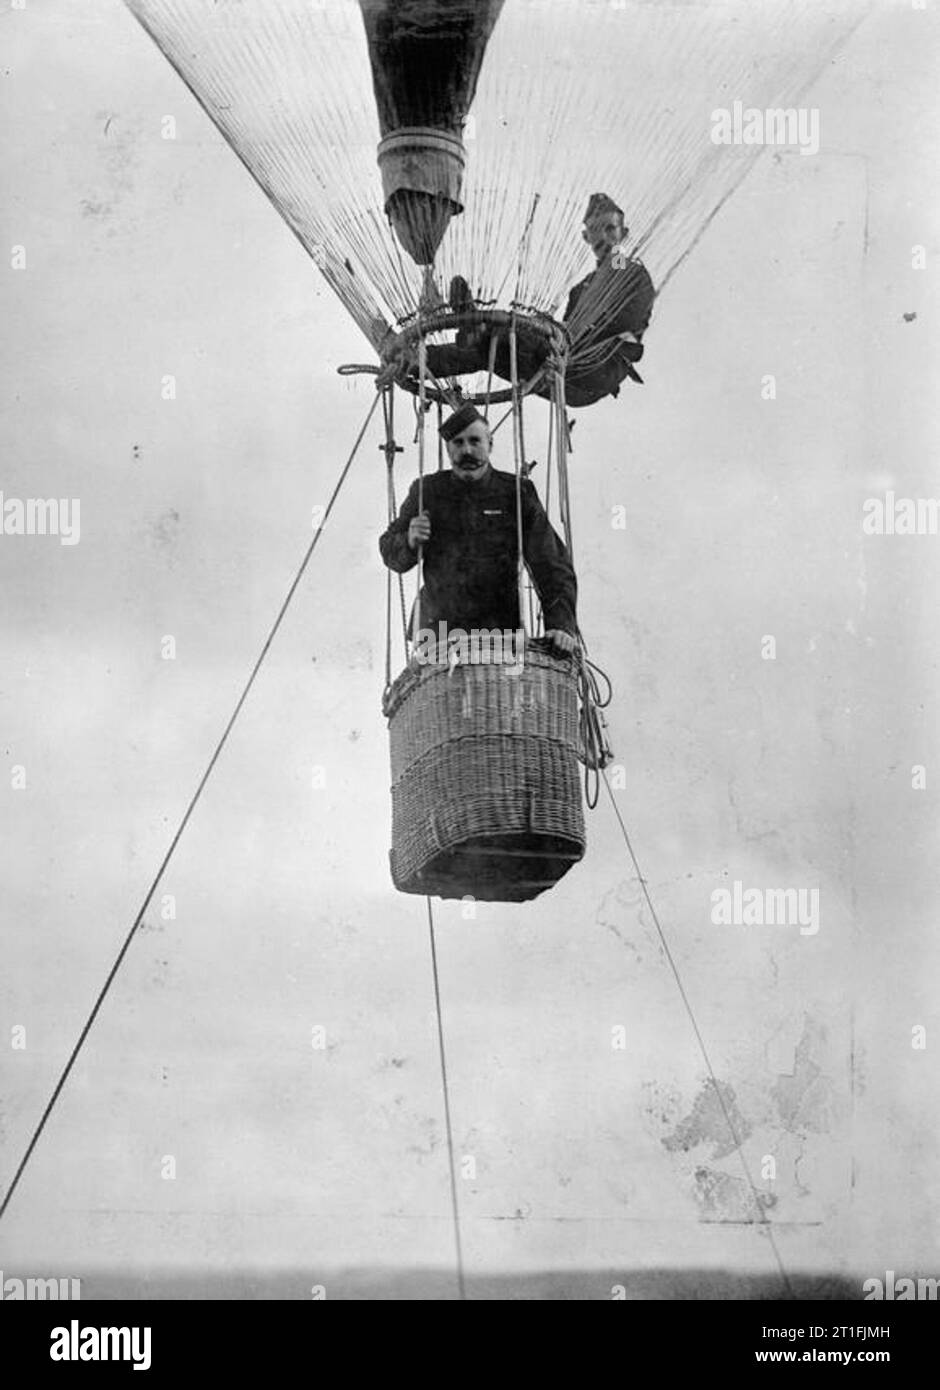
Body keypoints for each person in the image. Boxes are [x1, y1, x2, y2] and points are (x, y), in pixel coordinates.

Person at [384, 193, 655, 407]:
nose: (604, 237)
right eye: (596, 230)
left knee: (515, 337)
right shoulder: (580, 289)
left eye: (611, 229)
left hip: (597, 370)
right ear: (585, 236)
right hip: (565, 372)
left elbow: (618, 289)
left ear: (623, 233)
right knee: (489, 352)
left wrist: (551, 333)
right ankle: (420, 361)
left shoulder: (630, 272)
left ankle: (483, 329)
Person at [379, 402, 578, 657]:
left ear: (490, 443)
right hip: (437, 634)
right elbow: (389, 552)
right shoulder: (426, 491)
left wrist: (561, 626)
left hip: (499, 633)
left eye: (475, 441)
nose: (467, 450)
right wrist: (408, 540)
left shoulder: (516, 493)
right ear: (448, 448)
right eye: (458, 443)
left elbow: (552, 565)